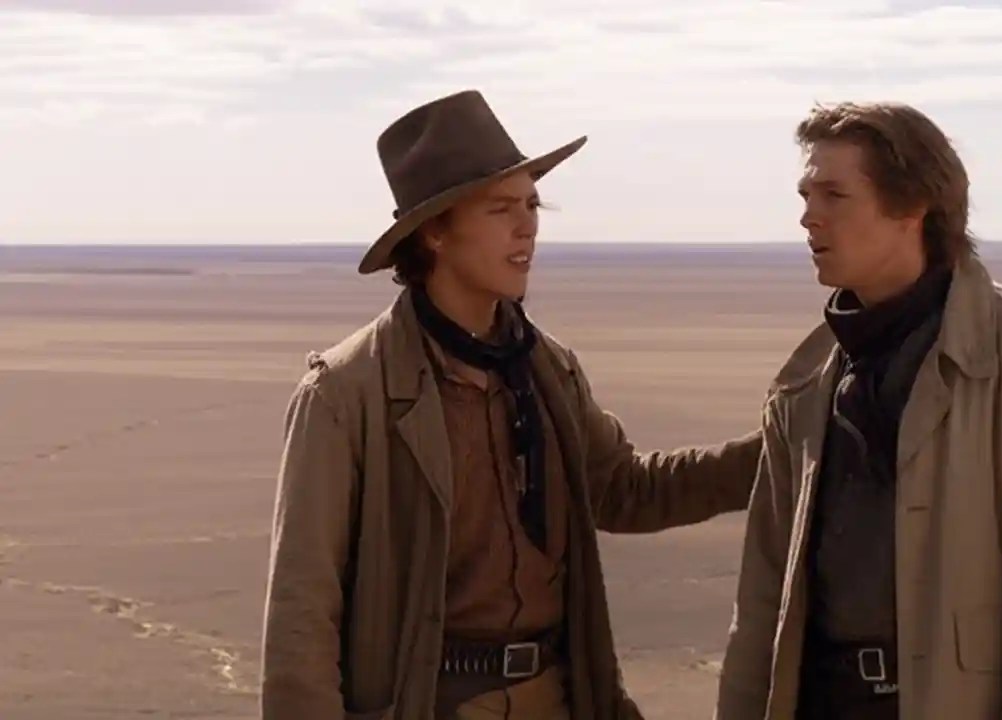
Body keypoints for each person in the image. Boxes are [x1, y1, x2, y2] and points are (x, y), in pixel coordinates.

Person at [259, 89, 762, 720]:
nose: (527, 226)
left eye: (532, 204)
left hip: (557, 695)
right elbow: (303, 610)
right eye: (501, 209)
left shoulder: (546, 367)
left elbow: (626, 489)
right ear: (436, 232)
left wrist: (784, 449)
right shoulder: (345, 393)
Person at [716, 101, 1002, 720]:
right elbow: (761, 608)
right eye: (805, 194)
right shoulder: (805, 383)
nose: (808, 217)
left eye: (834, 194)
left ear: (912, 207)